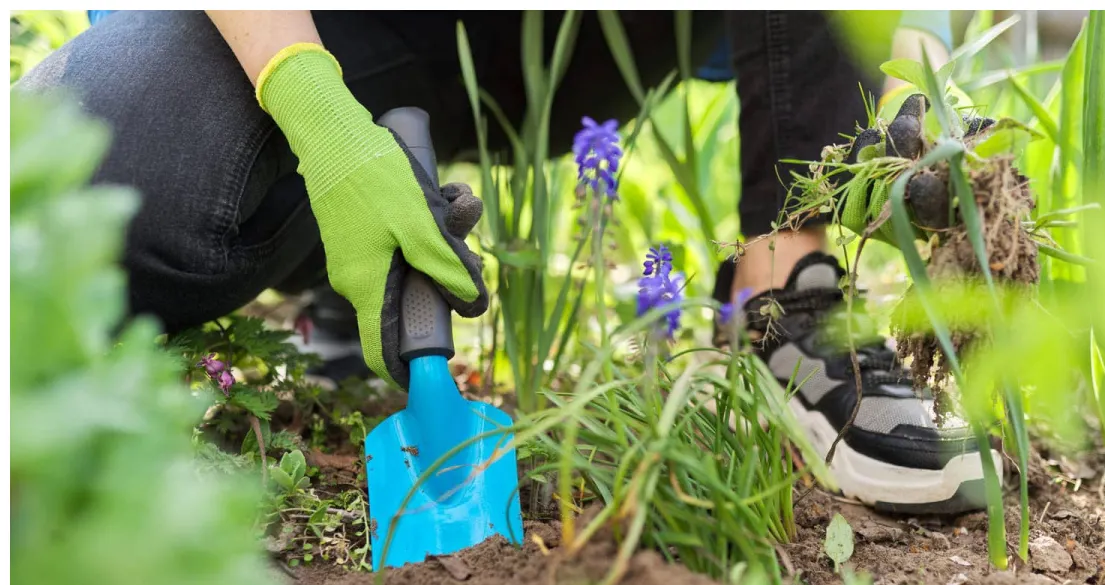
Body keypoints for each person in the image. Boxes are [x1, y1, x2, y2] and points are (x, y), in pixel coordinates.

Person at [17, 10, 997, 515]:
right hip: (331, 22)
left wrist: (895, 92)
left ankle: (785, 292)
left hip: (602, 27)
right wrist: (316, 114)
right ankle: (331, 249)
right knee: (84, 159)